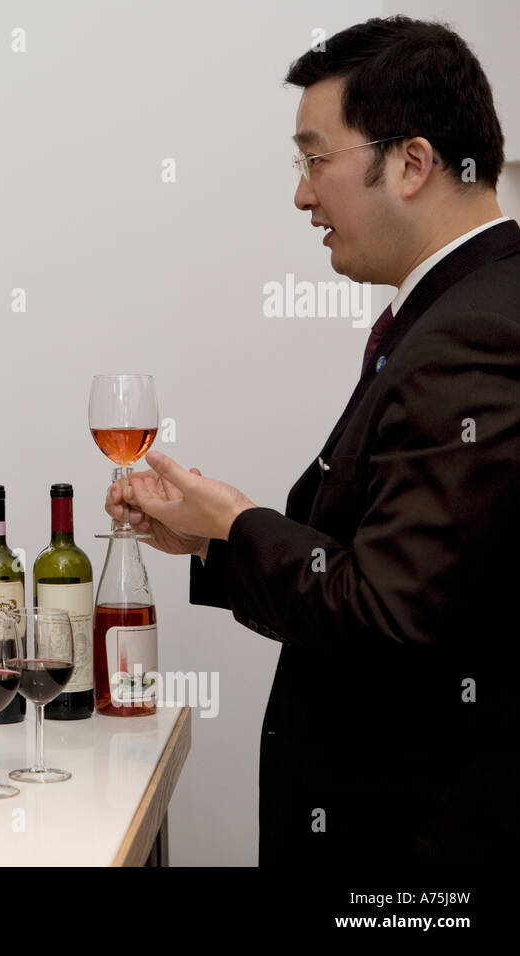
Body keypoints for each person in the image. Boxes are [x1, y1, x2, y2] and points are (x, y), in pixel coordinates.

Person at [107, 16, 518, 866]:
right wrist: (214, 540)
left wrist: (243, 520)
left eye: (314, 160)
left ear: (411, 162)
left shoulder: (473, 337)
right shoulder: (456, 311)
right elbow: (412, 571)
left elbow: (389, 617)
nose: (301, 195)